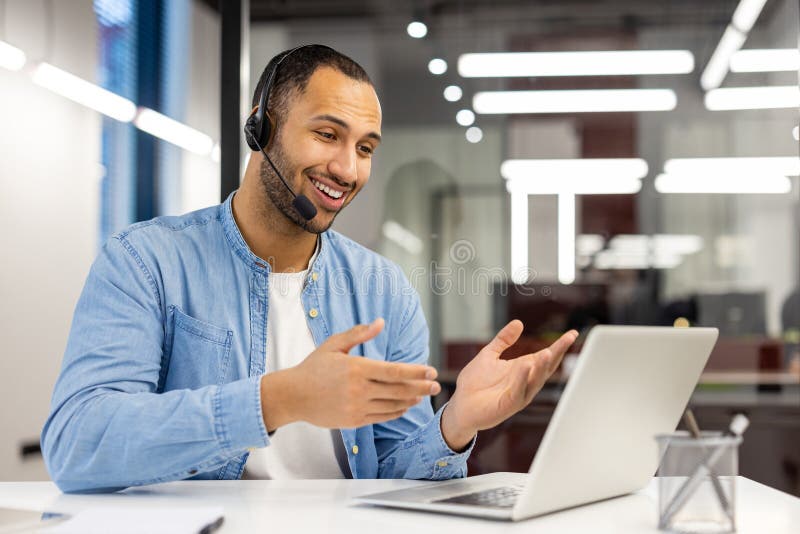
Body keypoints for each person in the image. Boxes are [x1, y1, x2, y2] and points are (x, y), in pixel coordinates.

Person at [41, 44, 577, 493]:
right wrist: (281, 398)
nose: (347, 168)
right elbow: (78, 444)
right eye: (327, 134)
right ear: (261, 126)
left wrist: (457, 422)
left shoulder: (383, 291)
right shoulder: (146, 262)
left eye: (365, 147)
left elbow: (395, 476)